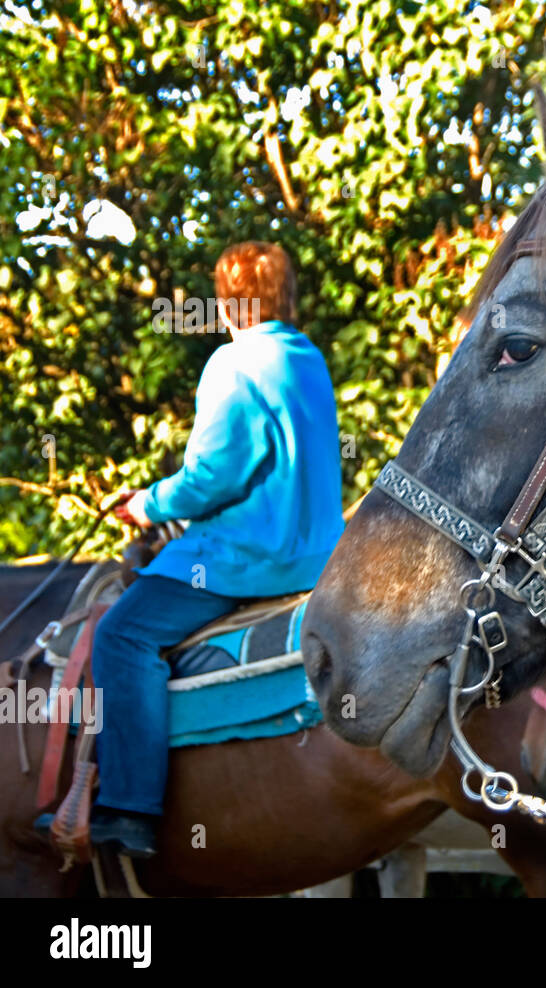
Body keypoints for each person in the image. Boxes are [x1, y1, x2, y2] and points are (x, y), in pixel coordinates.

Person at [49, 242, 344, 857]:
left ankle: (129, 810)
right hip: (318, 559)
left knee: (122, 636)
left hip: (241, 560)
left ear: (230, 303)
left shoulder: (233, 363)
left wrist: (147, 503)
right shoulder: (307, 359)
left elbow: (214, 476)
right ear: (285, 297)